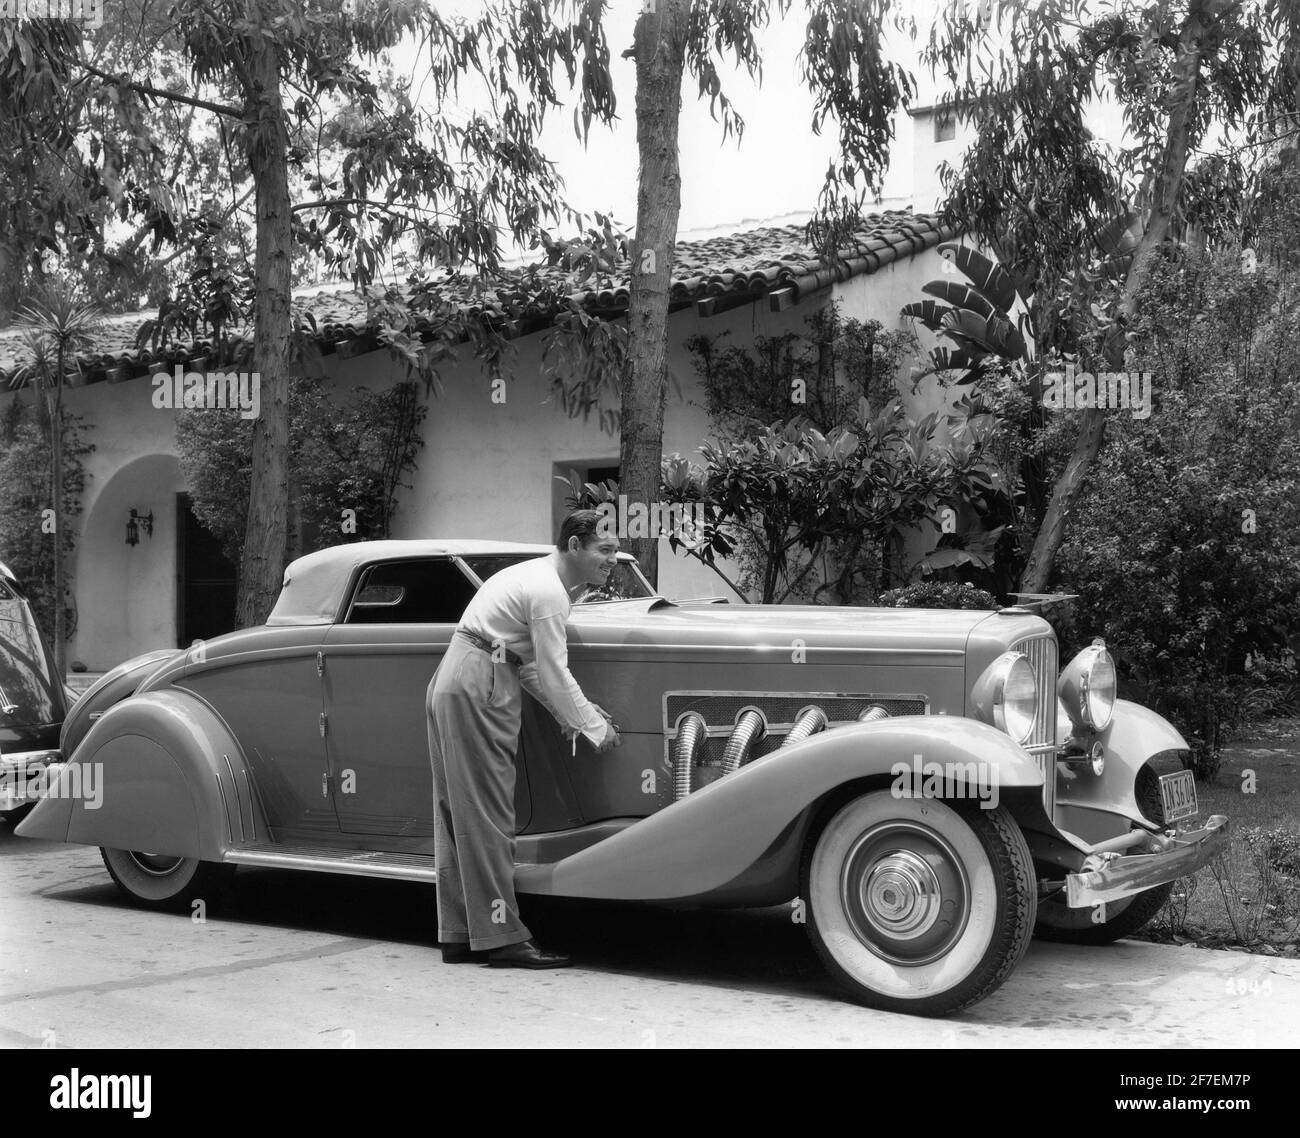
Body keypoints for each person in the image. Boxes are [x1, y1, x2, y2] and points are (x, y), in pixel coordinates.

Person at [426, 510, 621, 968]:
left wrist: (575, 714)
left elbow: (529, 664)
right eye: (605, 550)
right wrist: (596, 728)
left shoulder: (534, 577)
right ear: (575, 546)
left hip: (456, 675)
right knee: (490, 815)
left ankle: (461, 933)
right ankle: (501, 939)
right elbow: (552, 671)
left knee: (458, 813)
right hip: (482, 682)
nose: (612, 560)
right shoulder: (551, 592)